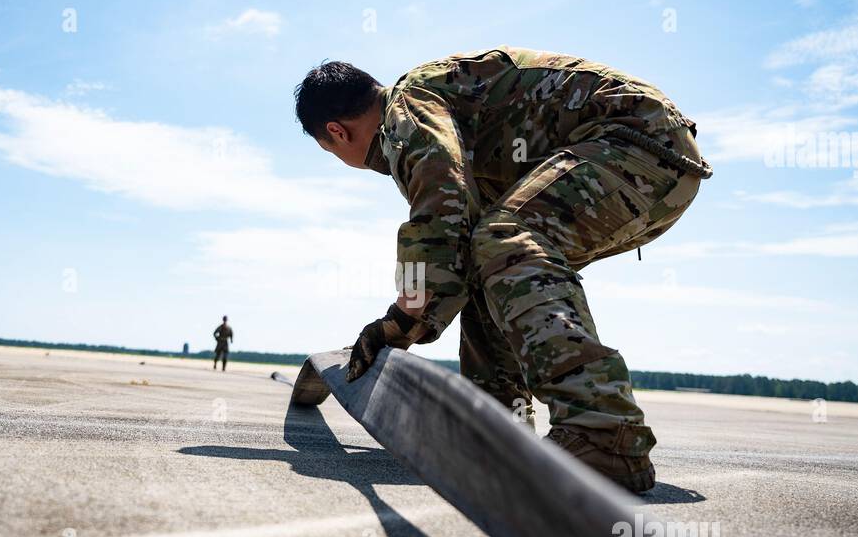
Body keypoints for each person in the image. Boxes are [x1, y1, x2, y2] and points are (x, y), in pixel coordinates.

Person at [293, 47, 710, 493]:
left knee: (504, 236)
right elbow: (459, 245)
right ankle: (500, 426)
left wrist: (400, 322)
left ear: (337, 132)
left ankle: (604, 435)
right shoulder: (432, 100)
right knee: (487, 256)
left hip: (634, 142)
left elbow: (439, 215)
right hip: (652, 152)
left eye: (331, 150)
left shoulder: (408, 107)